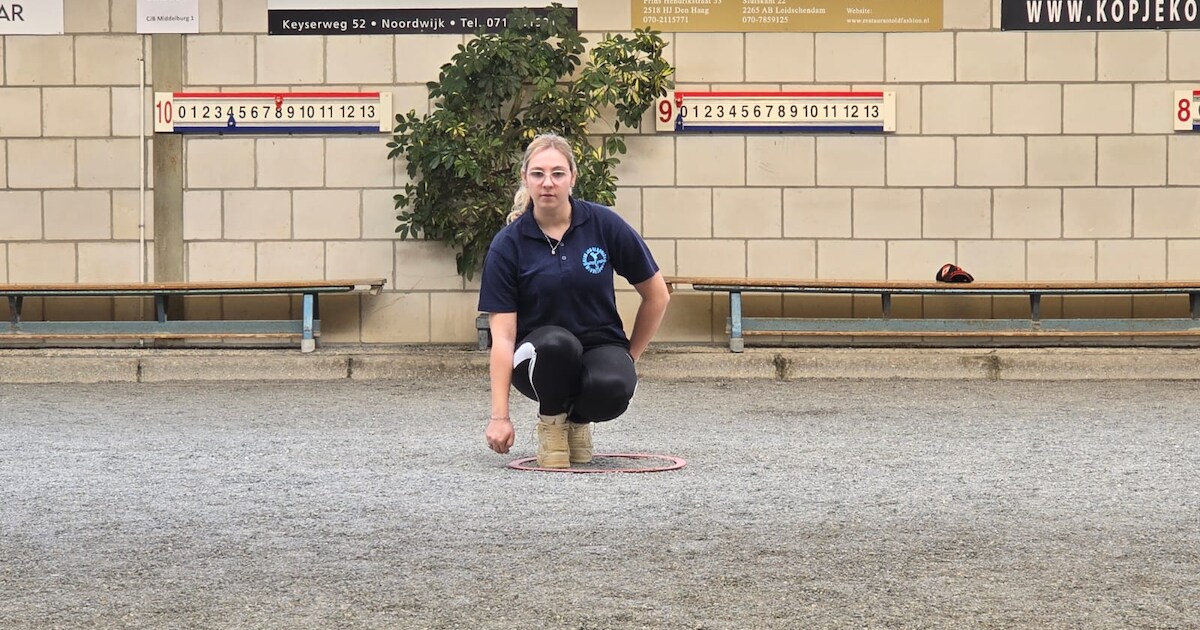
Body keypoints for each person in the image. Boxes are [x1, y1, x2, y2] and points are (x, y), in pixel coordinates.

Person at [478, 133, 671, 468]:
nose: (548, 183)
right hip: (537, 358)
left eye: (557, 173)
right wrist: (499, 416)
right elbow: (504, 336)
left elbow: (657, 295)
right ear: (525, 178)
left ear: (573, 177)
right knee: (557, 344)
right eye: (538, 173)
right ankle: (551, 424)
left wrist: (629, 357)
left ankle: (578, 421)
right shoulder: (508, 244)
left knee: (614, 385)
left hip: (599, 345)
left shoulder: (603, 224)